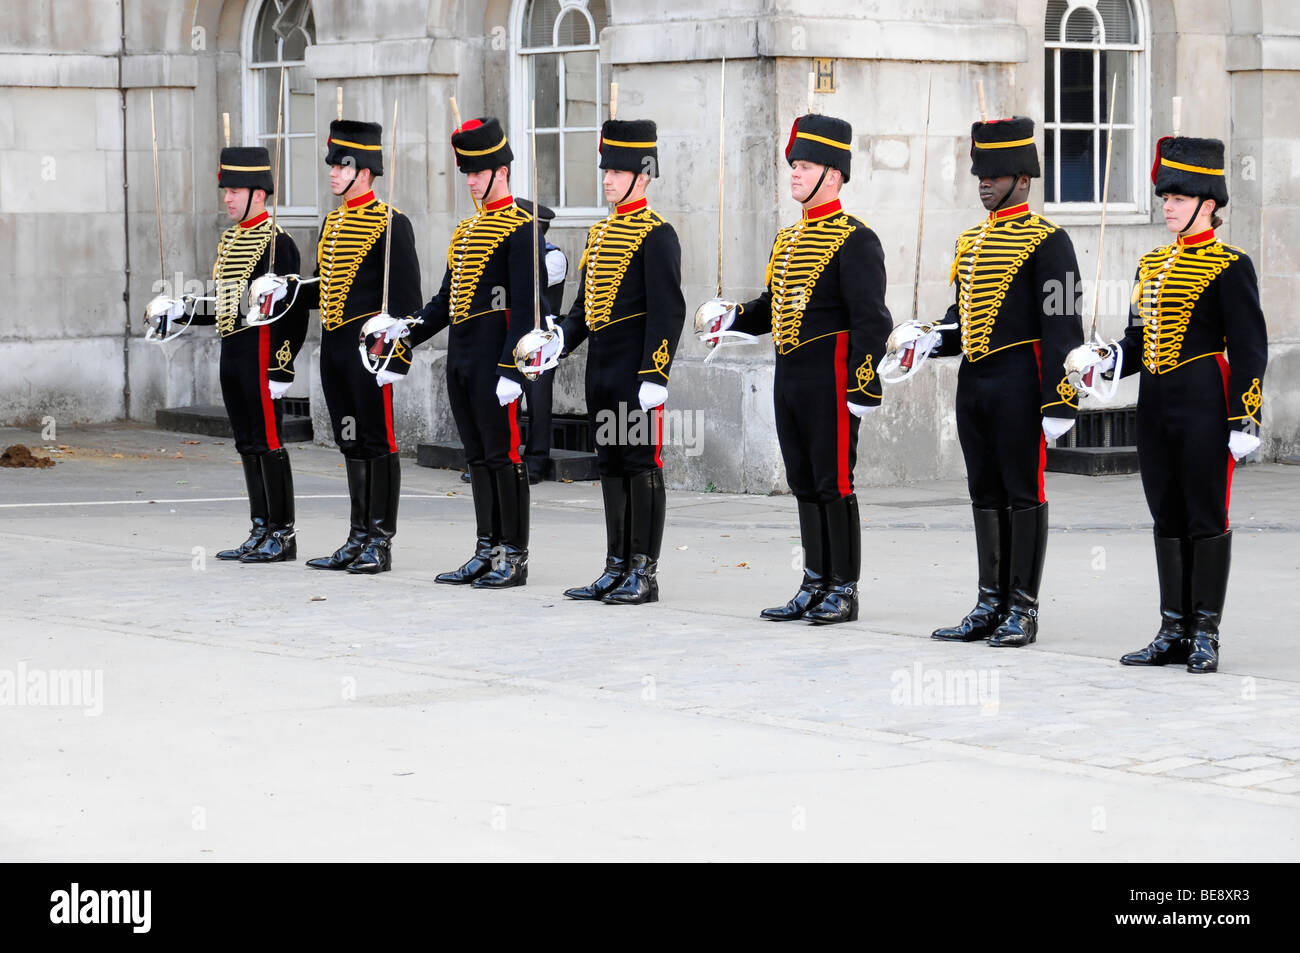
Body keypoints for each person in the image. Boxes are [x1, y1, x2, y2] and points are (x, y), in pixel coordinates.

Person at [707, 114, 891, 625]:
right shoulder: (786, 241)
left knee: (834, 482)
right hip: (790, 378)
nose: (793, 173)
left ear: (832, 175)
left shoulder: (857, 240)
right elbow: (773, 305)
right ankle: (814, 582)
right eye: (793, 164)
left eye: (804, 165)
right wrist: (734, 317)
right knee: (803, 480)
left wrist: (863, 385)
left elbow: (872, 321)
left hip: (832, 381)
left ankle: (843, 589)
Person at [1097, 135, 1267, 674]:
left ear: (1207, 204)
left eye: (1176, 197)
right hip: (1155, 403)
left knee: (1204, 514)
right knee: (1165, 514)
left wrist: (1246, 414)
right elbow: (1136, 341)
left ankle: (1205, 632)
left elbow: (1249, 348)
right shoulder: (1149, 265)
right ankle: (1172, 627)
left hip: (1204, 400)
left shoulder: (1232, 265)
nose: (1165, 205)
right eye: (1164, 197)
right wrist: (1100, 358)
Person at [926, 116, 1084, 648]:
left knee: (1022, 491)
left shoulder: (1050, 240)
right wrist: (930, 338)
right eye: (980, 174)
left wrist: (1060, 400)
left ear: (1023, 178)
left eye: (994, 174)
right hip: (974, 382)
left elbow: (1063, 324)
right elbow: (963, 316)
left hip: (1021, 382)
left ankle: (1023, 607)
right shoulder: (970, 241)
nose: (984, 182)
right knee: (983, 490)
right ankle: (988, 601)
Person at [386, 117, 544, 589]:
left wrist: (510, 369)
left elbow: (527, 307)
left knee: (504, 457)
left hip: (497, 364)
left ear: (502, 170)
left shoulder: (523, 228)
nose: (471, 182)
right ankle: (486, 548)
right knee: (476, 459)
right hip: (463, 361)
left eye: (478, 172)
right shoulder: (465, 231)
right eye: (467, 173)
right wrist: (406, 331)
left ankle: (513, 555)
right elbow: (446, 301)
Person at [557, 119, 685, 605]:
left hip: (636, 376)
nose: (607, 179)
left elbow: (669, 310)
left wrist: (655, 372)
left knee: (639, 465)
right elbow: (583, 309)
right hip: (601, 372)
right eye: (606, 169)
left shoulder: (658, 235)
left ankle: (643, 571)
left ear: (642, 175)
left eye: (617, 171)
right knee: (609, 465)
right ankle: (615, 566)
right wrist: (558, 340)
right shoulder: (599, 233)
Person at [291, 119, 422, 574]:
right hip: (334, 349)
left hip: (370, 353)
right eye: (331, 163)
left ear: (364, 171)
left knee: (377, 440)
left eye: (341, 164)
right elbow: (325, 288)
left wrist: (395, 360)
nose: (331, 172)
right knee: (349, 441)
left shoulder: (391, 224)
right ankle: (357, 535)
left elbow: (408, 305)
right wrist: (286, 290)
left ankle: (380, 541)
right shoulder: (331, 222)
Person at [192, 146, 308, 564]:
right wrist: (183, 313)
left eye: (235, 190)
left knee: (270, 441)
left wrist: (283, 363)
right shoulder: (231, 239)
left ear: (259, 194)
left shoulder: (279, 244)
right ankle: (260, 527)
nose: (226, 198)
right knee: (247, 443)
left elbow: (293, 314)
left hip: (262, 354)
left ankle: (282, 533)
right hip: (233, 350)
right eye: (225, 190)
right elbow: (229, 303)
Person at [505, 199, 567, 484]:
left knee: (538, 400)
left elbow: (530, 282)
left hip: (541, 337)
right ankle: (506, 455)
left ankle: (537, 461)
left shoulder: (554, 258)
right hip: (512, 332)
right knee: (507, 399)